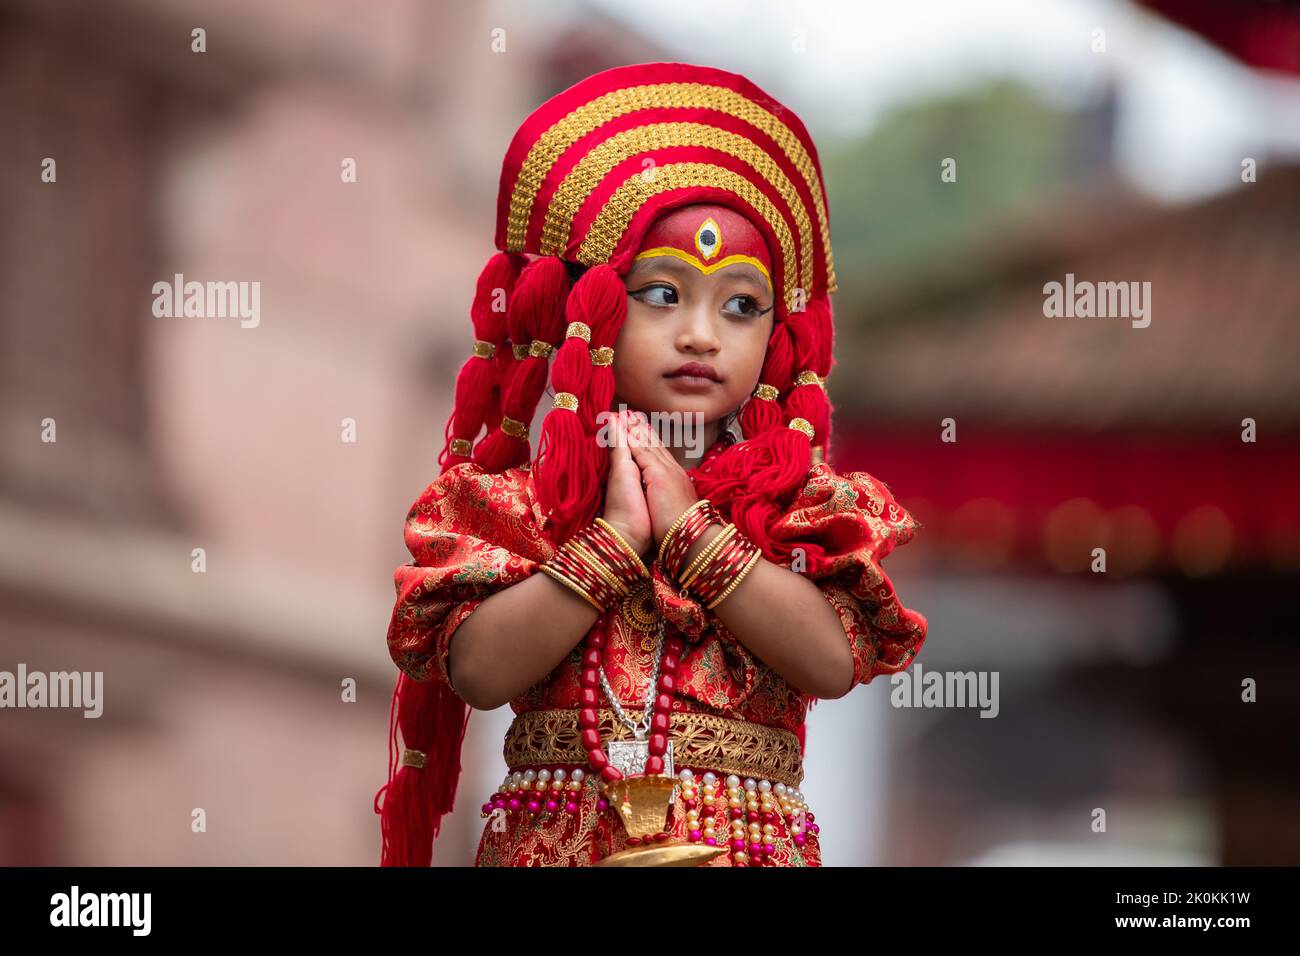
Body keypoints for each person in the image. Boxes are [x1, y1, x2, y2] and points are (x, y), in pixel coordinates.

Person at [374, 62, 928, 867]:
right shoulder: (522, 505)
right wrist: (615, 540)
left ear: (777, 334)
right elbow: (478, 672)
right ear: (586, 307)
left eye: (740, 305)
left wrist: (696, 536)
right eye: (662, 295)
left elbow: (833, 660)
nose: (702, 335)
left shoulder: (796, 508)